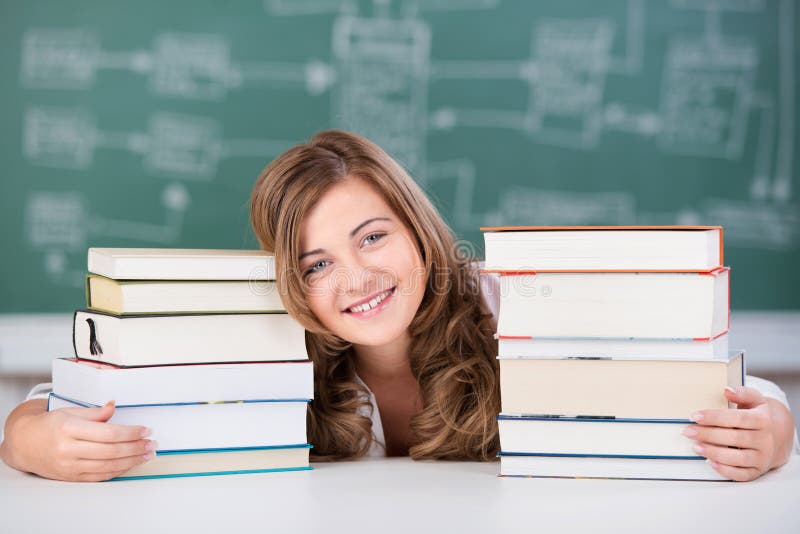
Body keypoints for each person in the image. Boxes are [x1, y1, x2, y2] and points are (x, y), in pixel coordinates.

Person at [2, 130, 797, 482]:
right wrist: (32, 441)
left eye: (373, 237)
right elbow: (47, 404)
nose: (354, 279)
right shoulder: (270, 344)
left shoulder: (511, 303)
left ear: (417, 230)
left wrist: (771, 430)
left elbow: (732, 389)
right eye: (315, 263)